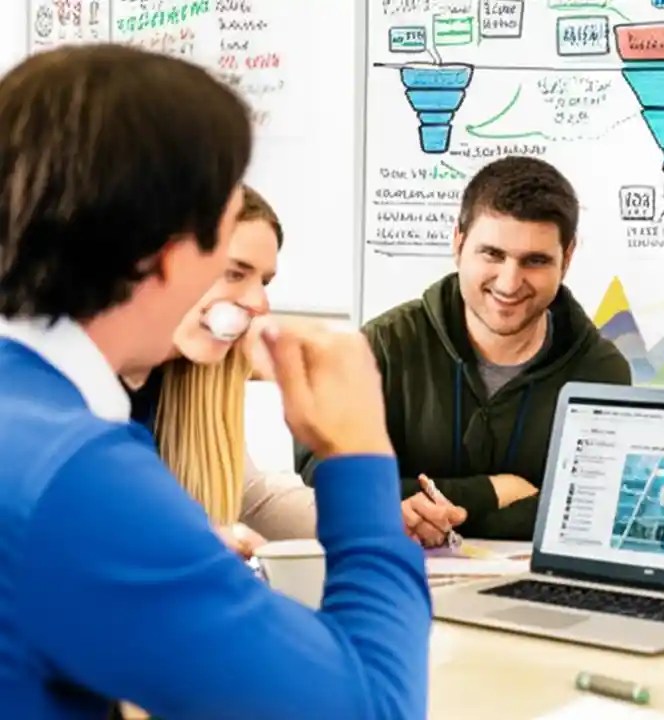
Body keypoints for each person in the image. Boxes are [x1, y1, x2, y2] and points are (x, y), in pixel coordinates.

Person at [0, 45, 428, 718]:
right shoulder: (76, 474)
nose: (253, 299)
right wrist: (360, 455)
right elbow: (371, 709)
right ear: (171, 252)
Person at [297, 155, 631, 546]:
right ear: (458, 242)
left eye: (535, 261)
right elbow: (325, 474)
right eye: (492, 254)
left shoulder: (601, 373)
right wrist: (491, 492)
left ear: (567, 258)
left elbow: (587, 514)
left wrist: (425, 507)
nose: (509, 283)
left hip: (538, 582)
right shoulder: (382, 346)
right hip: (403, 572)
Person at [121, 185, 315, 553]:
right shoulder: (76, 388)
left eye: (264, 282)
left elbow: (249, 496)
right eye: (234, 273)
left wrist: (373, 521)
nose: (259, 302)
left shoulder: (196, 377)